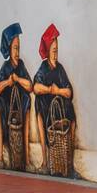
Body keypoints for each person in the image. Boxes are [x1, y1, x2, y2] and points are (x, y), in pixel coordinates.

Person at [32, 24, 75, 175]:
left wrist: (59, 91)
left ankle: (69, 163)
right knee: (38, 103)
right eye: (54, 51)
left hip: (60, 112)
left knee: (70, 107)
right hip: (47, 112)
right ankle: (45, 161)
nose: (56, 54)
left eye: (57, 51)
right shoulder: (44, 68)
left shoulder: (60, 68)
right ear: (48, 51)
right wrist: (50, 90)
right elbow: (35, 87)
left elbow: (69, 92)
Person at [0, 23, 32, 168]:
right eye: (15, 48)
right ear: (9, 49)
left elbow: (30, 85)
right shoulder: (6, 66)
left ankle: (27, 159)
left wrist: (18, 79)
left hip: (19, 106)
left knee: (28, 101)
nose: (17, 52)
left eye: (18, 48)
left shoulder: (20, 65)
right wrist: (8, 82)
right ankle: (0, 156)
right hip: (7, 108)